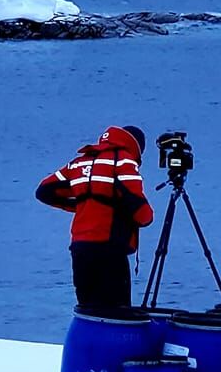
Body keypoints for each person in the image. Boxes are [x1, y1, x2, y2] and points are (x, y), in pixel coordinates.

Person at [36, 125, 153, 311]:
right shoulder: (124, 161)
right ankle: (120, 340)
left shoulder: (79, 163)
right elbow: (143, 215)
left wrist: (79, 206)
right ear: (137, 147)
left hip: (80, 247)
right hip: (110, 248)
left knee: (88, 308)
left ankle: (88, 338)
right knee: (117, 311)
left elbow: (44, 191)